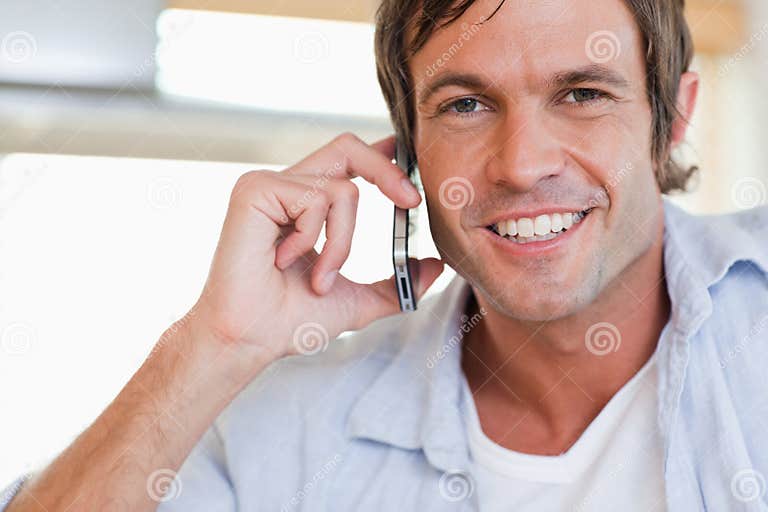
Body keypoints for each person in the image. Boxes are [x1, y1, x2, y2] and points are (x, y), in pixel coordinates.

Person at [3, 0, 768, 510]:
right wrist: (214, 344)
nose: (522, 164)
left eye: (583, 95)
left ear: (672, 119)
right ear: (405, 158)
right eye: (465, 105)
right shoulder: (294, 420)